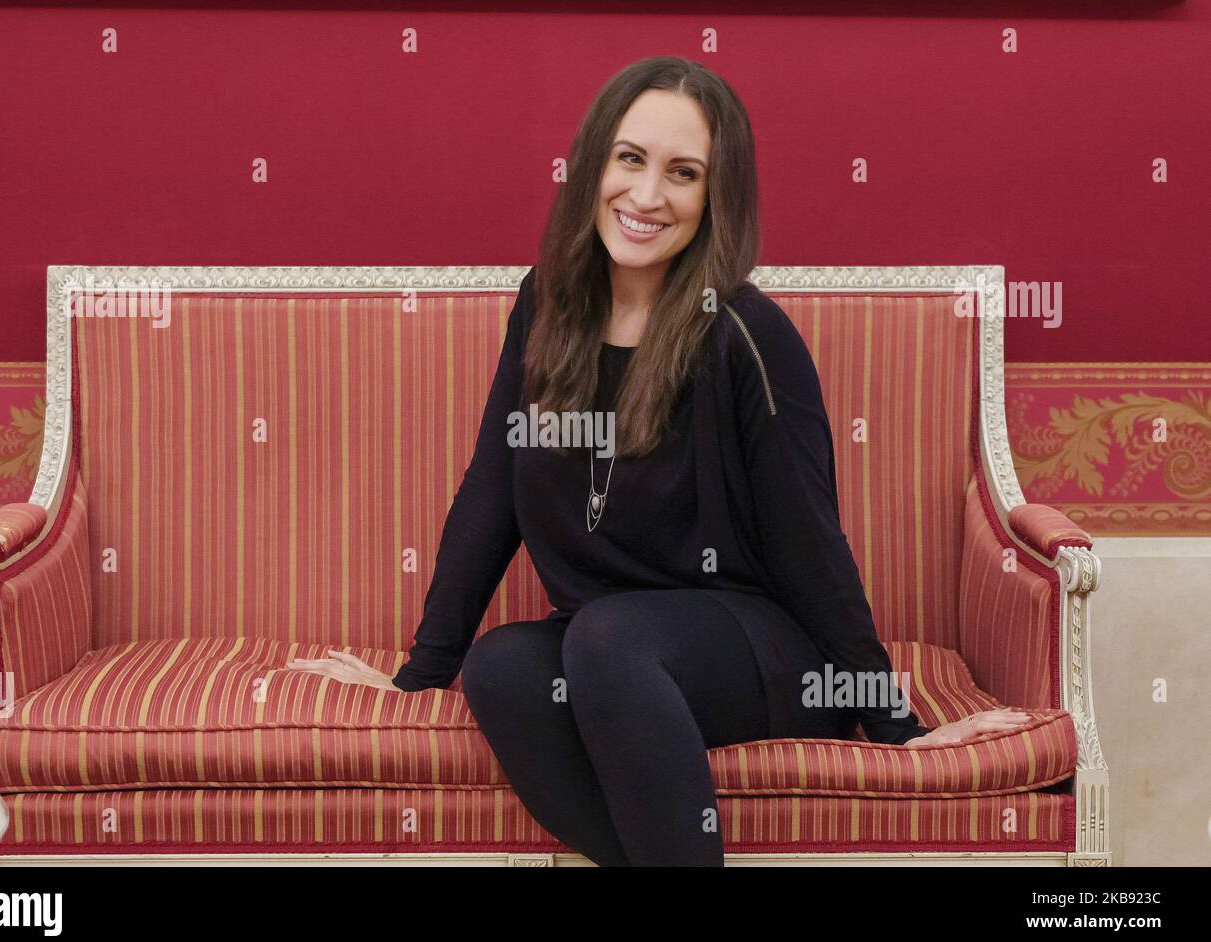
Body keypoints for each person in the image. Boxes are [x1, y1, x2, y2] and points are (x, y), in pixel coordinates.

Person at [289, 56, 1032, 866]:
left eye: (683, 174)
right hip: (609, 651)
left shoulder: (746, 335)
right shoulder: (547, 305)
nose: (646, 197)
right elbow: (493, 490)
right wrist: (422, 674)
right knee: (500, 666)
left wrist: (894, 721)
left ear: (716, 199)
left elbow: (808, 540)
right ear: (594, 164)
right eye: (630, 159)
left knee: (608, 640)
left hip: (760, 650)